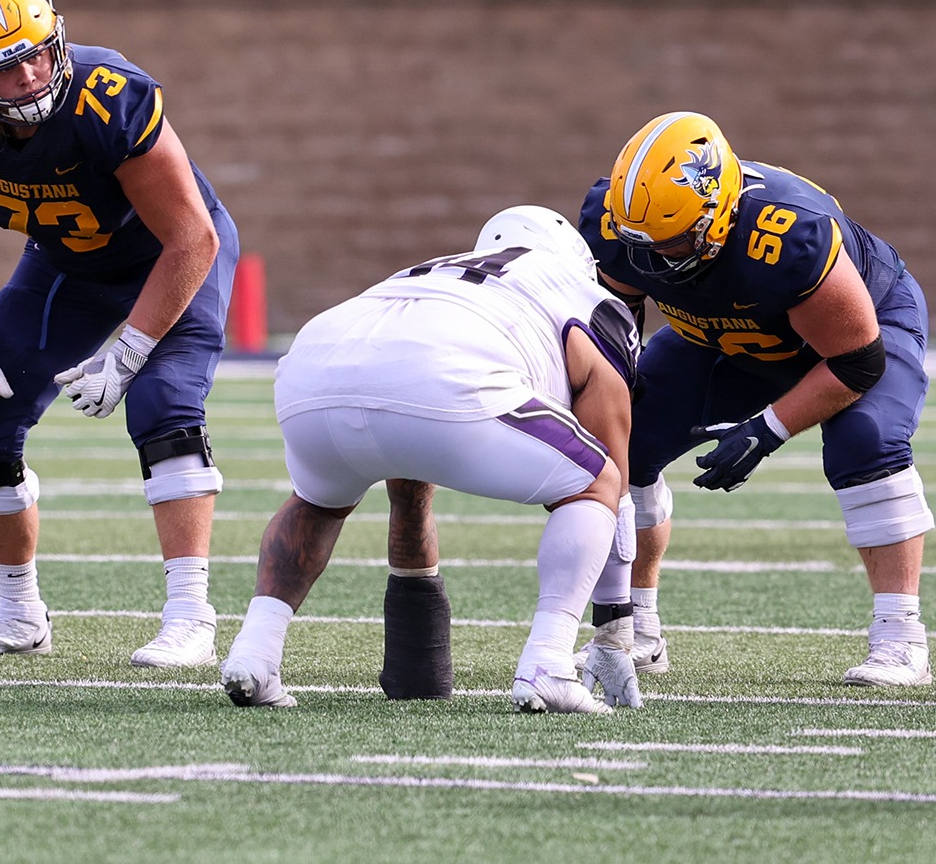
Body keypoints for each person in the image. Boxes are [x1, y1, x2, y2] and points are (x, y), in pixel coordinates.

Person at [0, 0, 237, 667]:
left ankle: (190, 619)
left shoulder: (108, 96)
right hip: (67, 264)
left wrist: (129, 353)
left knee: (163, 405)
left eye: (37, 54)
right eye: (3, 66)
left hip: (170, 257)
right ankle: (17, 614)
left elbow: (192, 238)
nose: (28, 76)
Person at [220, 207, 645, 714]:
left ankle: (255, 653)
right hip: (443, 375)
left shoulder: (435, 268)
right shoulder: (585, 294)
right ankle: (548, 664)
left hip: (311, 368)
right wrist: (615, 626)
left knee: (316, 503)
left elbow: (403, 432)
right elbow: (613, 485)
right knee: (597, 480)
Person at [580, 111, 935, 687]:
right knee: (622, 438)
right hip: (717, 331)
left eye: (674, 239)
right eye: (645, 241)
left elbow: (856, 359)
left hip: (856, 328)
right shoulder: (618, 224)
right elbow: (613, 325)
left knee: (864, 442)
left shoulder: (785, 234)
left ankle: (901, 639)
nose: (659, 256)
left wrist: (767, 429)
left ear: (718, 214)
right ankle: (634, 626)